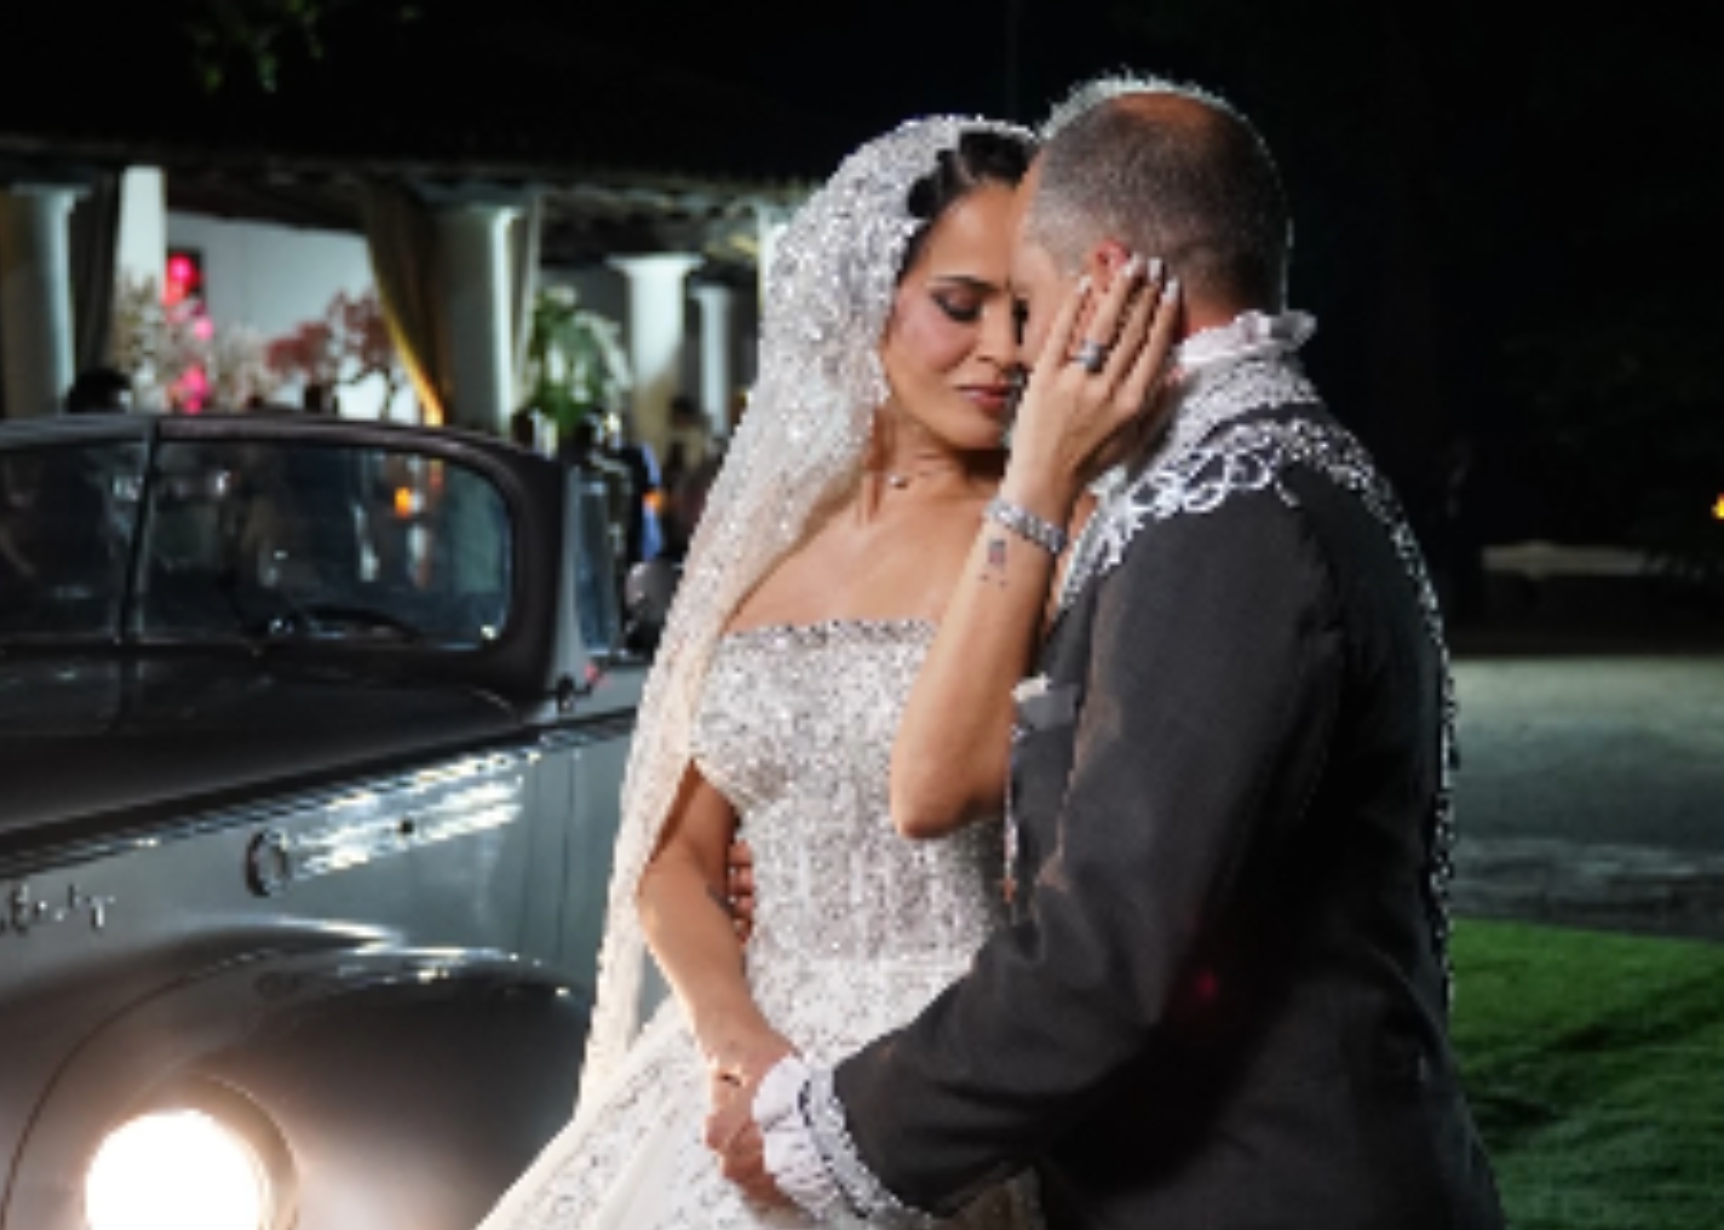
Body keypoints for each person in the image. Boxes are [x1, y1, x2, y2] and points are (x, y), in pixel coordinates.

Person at [709, 72, 1506, 1230]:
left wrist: (833, 1140)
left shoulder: (1228, 516)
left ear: (1109, 284)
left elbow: (1102, 959)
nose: (1020, 356)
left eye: (1026, 305)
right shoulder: (1275, 467)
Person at [470, 116, 1081, 1230]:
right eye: (961, 304)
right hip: (738, 1058)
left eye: (1027, 312)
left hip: (936, 1078)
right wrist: (735, 1041)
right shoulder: (764, 543)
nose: (1007, 349)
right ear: (861, 299)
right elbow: (674, 862)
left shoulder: (1044, 531)